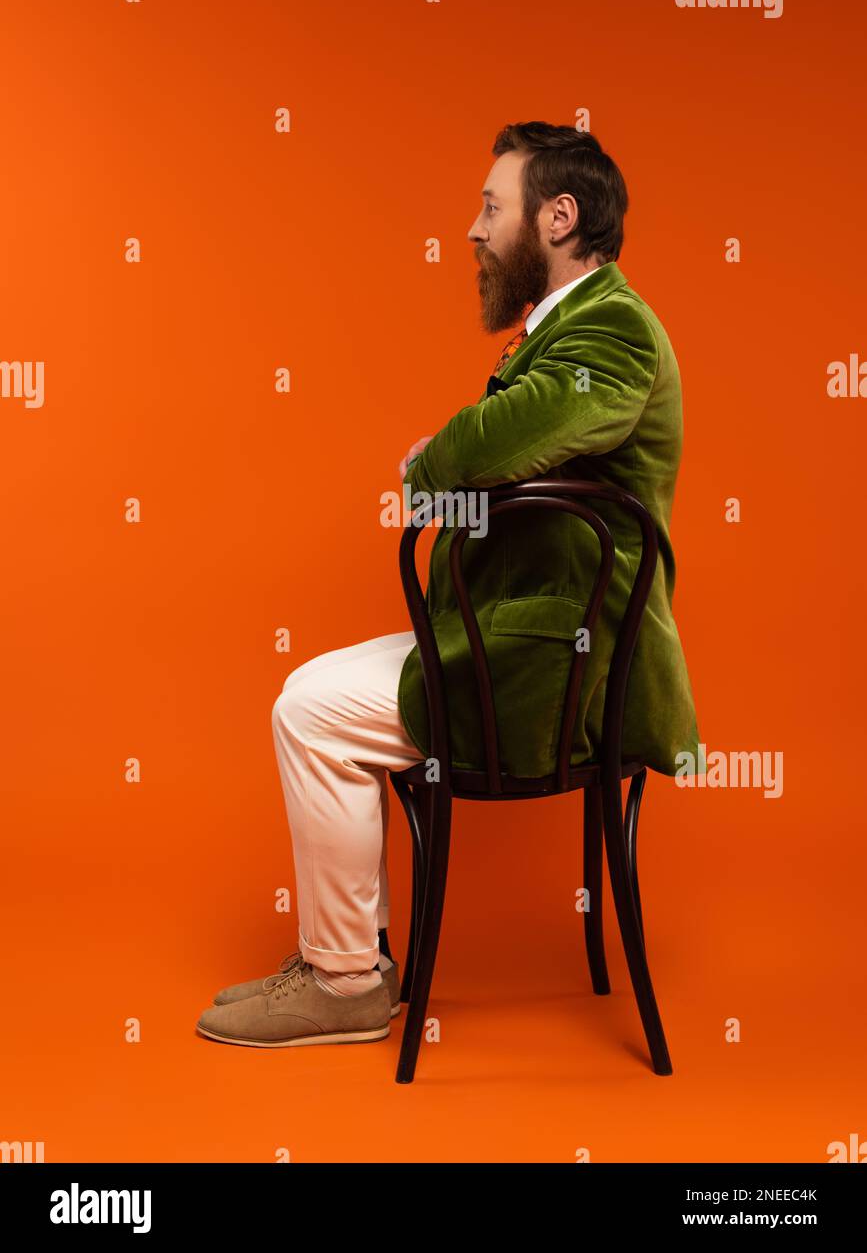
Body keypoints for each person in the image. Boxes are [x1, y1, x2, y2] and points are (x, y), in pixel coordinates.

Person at [195, 121, 700, 1049]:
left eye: (489, 205)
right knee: (313, 683)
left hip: (558, 673)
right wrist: (465, 448)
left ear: (558, 217)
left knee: (308, 708)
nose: (471, 229)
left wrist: (442, 456)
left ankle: (346, 981)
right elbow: (510, 438)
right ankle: (348, 963)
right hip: (521, 643)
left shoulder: (614, 331)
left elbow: (494, 443)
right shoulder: (566, 329)